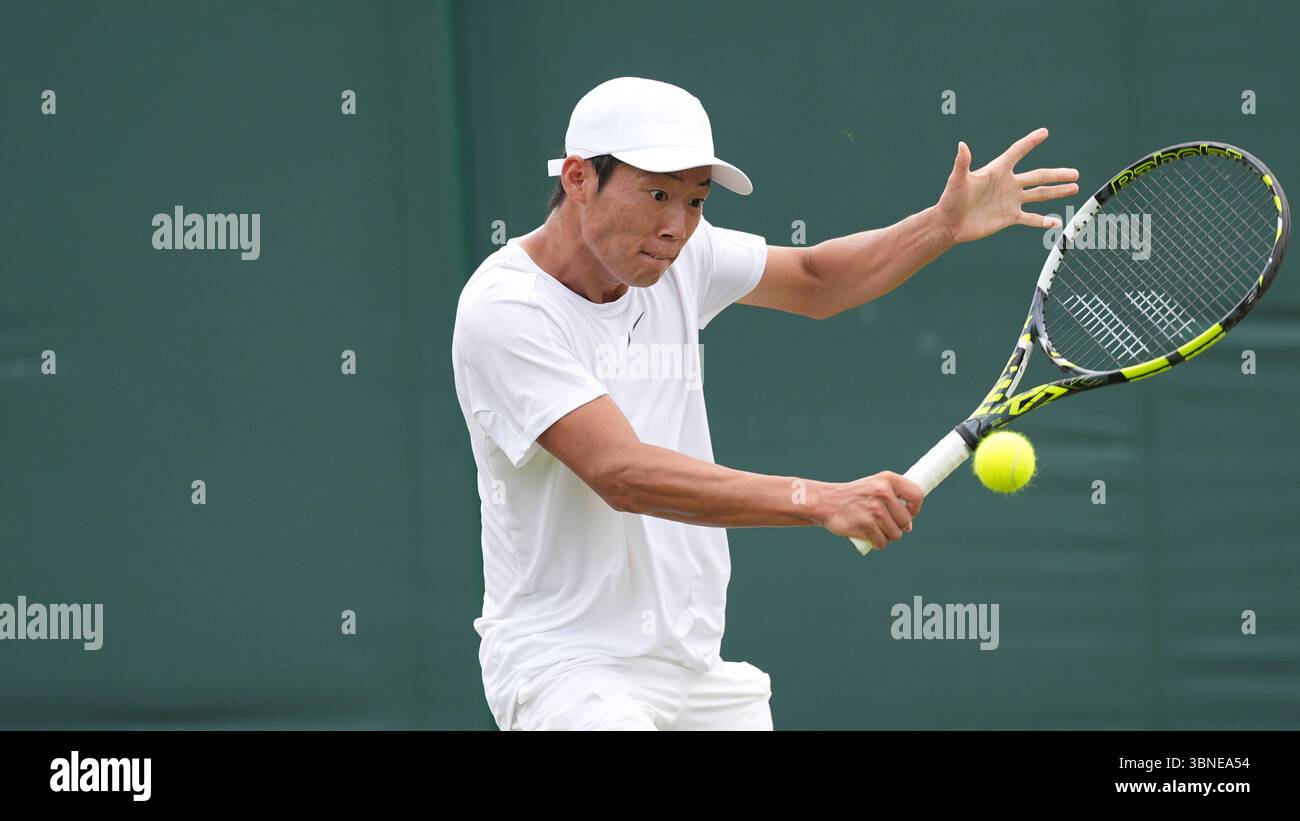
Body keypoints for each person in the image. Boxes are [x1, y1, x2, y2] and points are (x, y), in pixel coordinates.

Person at [451, 77, 1078, 730]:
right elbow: (621, 472)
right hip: (568, 669)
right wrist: (821, 499)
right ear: (579, 178)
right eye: (657, 194)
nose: (676, 226)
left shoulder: (679, 254)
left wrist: (941, 226)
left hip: (693, 665)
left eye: (696, 200)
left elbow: (815, 280)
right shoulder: (508, 308)